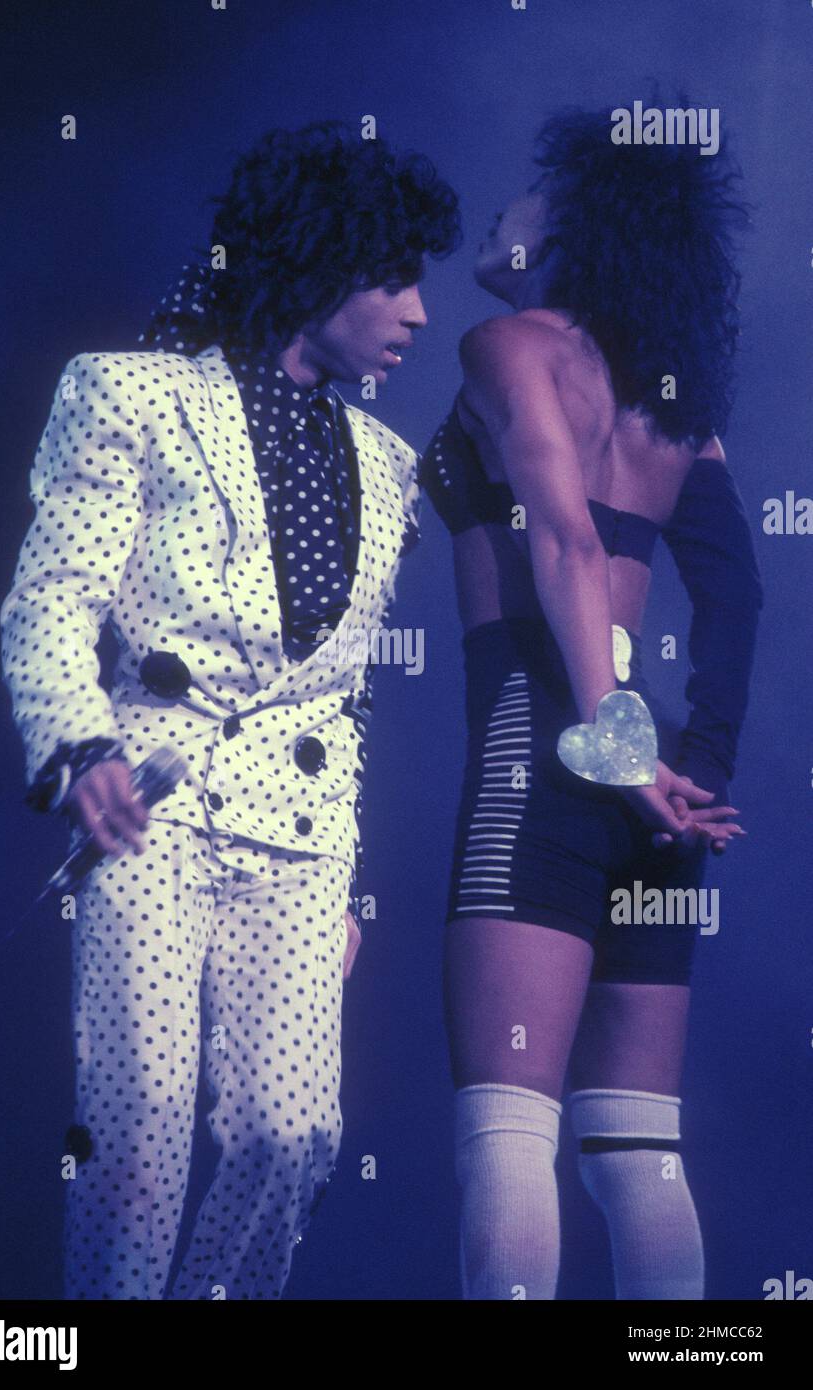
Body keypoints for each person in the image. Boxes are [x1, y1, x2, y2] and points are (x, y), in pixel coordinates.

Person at [0, 121, 460, 1300]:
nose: (416, 312)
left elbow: (345, 700)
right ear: (313, 264)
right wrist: (80, 745)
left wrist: (343, 881)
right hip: (149, 800)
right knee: (143, 1116)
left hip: (303, 835)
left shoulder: (387, 458)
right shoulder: (131, 393)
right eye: (392, 276)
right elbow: (53, 594)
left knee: (291, 1134)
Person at [419, 103, 761, 1300]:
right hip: (650, 776)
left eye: (528, 191)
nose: (502, 209)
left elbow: (561, 539)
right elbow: (738, 593)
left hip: (552, 738)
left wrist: (609, 742)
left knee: (508, 1127)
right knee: (635, 1146)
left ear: (572, 221)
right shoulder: (675, 405)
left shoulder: (510, 350)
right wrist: (689, 770)